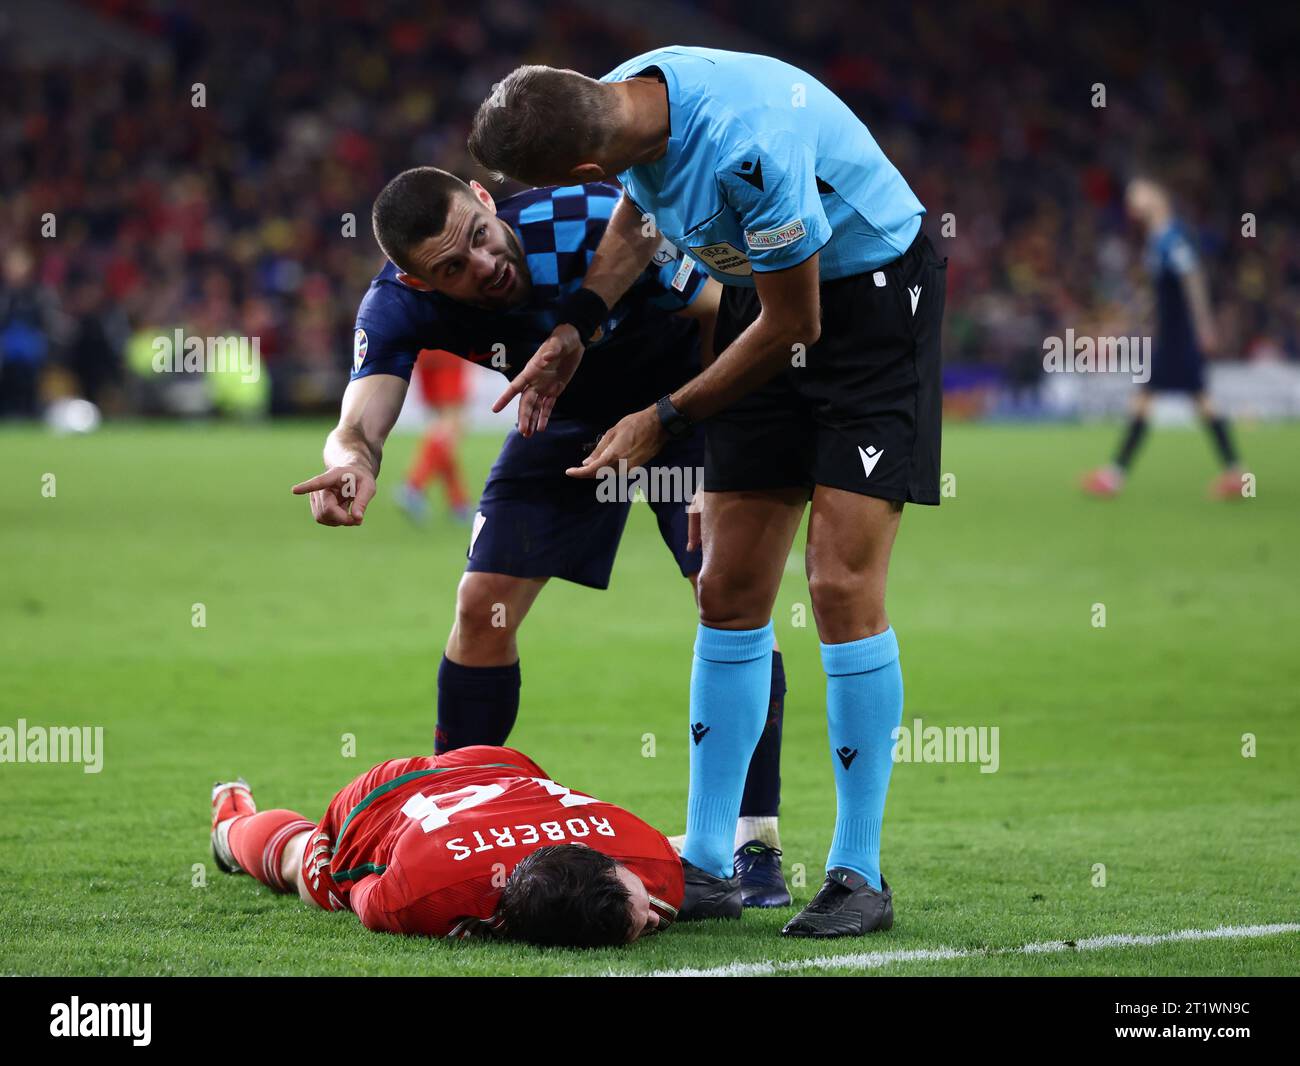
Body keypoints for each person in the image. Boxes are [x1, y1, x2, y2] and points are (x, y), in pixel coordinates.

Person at [469, 45, 946, 936]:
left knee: (840, 586)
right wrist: (579, 325)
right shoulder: (628, 95)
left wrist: (665, 419)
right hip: (758, 301)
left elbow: (797, 323)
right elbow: (635, 220)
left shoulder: (744, 149)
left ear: (580, 161)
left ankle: (859, 873)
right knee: (725, 588)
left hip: (867, 303)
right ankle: (710, 862)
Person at [292, 167, 791, 909]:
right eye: (452, 268)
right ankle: (452, 814)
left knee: (726, 594)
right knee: (480, 607)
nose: (484, 267)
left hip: (682, 406)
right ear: (415, 278)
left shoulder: (595, 219)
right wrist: (350, 467)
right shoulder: (396, 304)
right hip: (560, 423)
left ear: (486, 200)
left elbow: (722, 310)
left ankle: (753, 846)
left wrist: (710, 445)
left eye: (481, 238)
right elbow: (358, 424)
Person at [209, 744, 682, 946]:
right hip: (384, 798)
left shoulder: (644, 851)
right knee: (310, 871)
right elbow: (361, 891)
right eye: (645, 924)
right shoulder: (421, 894)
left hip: (497, 765)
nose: (659, 914)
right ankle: (232, 825)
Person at [1083, 177, 1244, 499]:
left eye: (1138, 193)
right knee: (1191, 399)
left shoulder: (1172, 235)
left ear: (1158, 195)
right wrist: (1125, 323)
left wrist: (1204, 326)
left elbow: (1192, 278)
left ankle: (1114, 476)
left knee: (1169, 399)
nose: (1132, 201)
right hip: (1170, 334)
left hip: (1179, 335)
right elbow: (1155, 295)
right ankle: (1235, 473)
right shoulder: (1156, 238)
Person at [395, 348, 472, 524]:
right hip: (448, 348)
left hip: (423, 348)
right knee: (452, 425)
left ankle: (459, 504)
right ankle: (414, 485)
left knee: (441, 428)